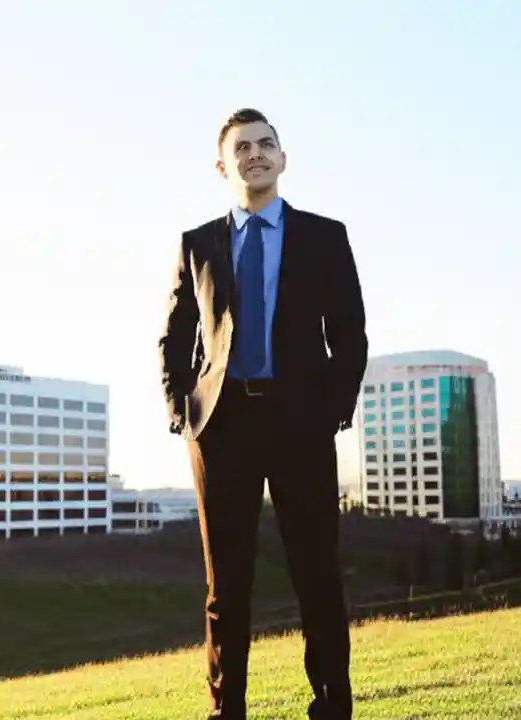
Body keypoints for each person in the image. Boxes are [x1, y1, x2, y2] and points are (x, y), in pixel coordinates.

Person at [157, 108, 368, 719]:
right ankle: (227, 712)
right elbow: (173, 338)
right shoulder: (197, 244)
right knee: (226, 589)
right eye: (242, 147)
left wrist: (331, 410)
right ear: (223, 166)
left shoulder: (325, 236)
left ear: (283, 158)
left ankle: (332, 706)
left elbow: (349, 333)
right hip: (221, 430)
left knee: (317, 576)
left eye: (266, 144)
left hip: (300, 424)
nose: (256, 154)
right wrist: (182, 412)